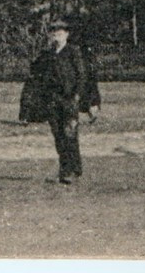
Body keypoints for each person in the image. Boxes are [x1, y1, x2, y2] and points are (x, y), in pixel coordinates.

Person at [26, 18, 100, 185]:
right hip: (53, 100)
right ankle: (65, 168)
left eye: (60, 33)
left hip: (69, 100)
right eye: (54, 33)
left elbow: (81, 76)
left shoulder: (73, 52)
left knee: (70, 134)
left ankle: (73, 169)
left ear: (66, 34)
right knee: (58, 135)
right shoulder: (49, 54)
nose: (56, 36)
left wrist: (77, 96)